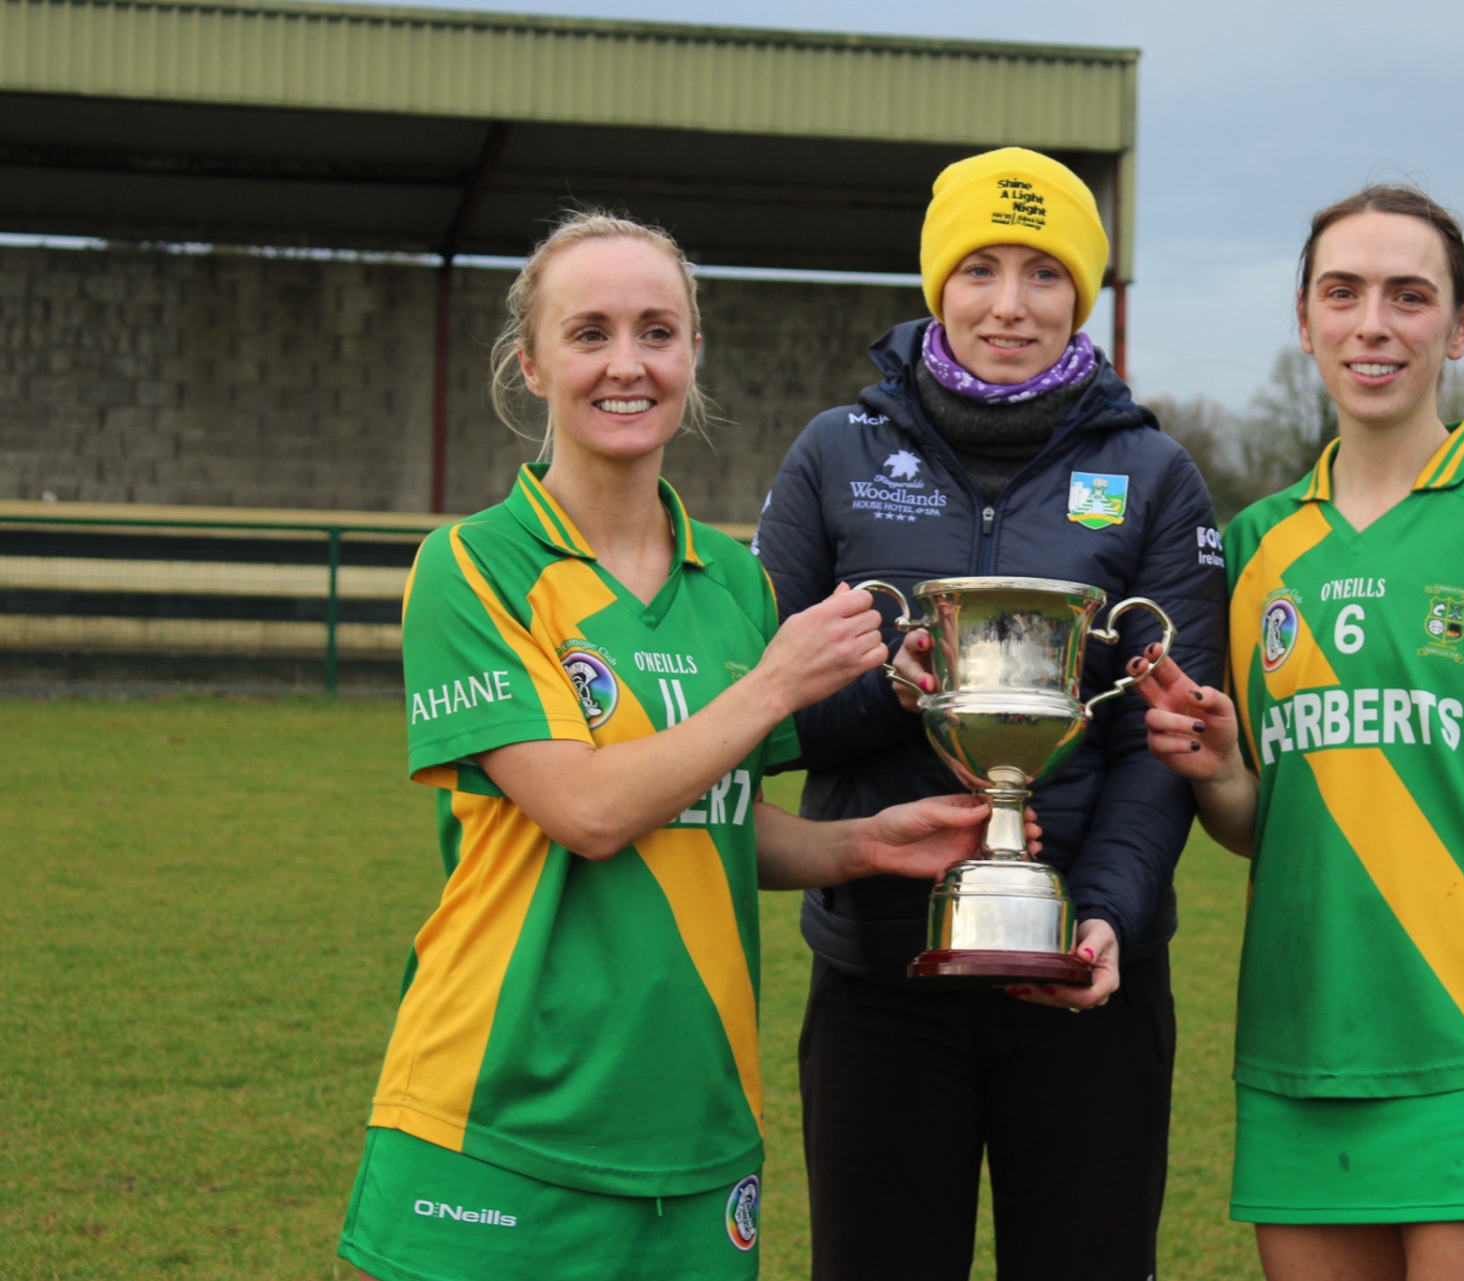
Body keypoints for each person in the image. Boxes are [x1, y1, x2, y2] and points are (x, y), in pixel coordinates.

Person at [337, 211, 1027, 1281]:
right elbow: (593, 813)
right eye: (590, 333)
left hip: (699, 1139)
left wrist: (862, 845)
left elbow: (709, 820)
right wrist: (773, 685)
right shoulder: (473, 567)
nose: (628, 364)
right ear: (531, 363)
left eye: (658, 332)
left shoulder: (735, 583)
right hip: (499, 1122)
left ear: (694, 353)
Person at [1132, 185, 1464, 1281]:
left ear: (1460, 327)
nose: (1374, 323)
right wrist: (1225, 771)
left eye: (1409, 296)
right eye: (1345, 292)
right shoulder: (1256, 547)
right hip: (1302, 1060)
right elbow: (1263, 824)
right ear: (1306, 317)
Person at [755, 147, 1228, 1280]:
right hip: (879, 969)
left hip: (1089, 980)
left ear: (1084, 294)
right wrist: (899, 689)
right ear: (936, 284)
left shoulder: (1156, 474)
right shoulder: (834, 456)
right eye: (979, 269)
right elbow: (761, 720)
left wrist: (1105, 912)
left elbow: (1160, 743)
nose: (1010, 305)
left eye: (1044, 273)